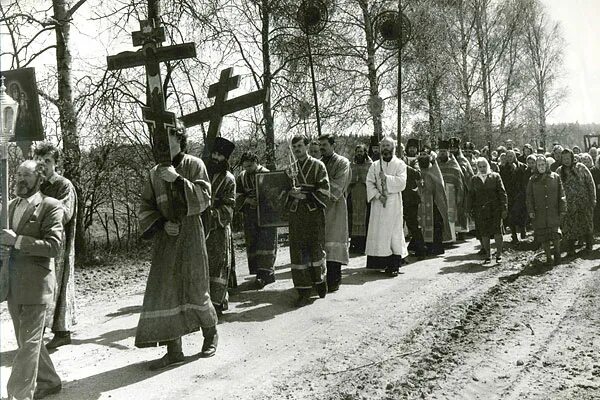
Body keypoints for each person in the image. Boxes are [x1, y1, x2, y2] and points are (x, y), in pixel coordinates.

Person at [136, 122, 218, 370]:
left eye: (168, 135)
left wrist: (178, 179)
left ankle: (210, 335)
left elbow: (205, 198)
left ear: (179, 138)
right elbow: (145, 207)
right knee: (167, 290)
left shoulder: (194, 164)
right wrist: (161, 224)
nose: (162, 141)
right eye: (158, 137)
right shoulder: (153, 173)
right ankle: (174, 350)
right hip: (167, 239)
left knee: (196, 286)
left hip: (191, 233)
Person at [1, 160, 63, 399]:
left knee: (27, 344)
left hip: (37, 286)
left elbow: (54, 247)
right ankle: (49, 380)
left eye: (26, 176)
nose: (19, 180)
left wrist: (17, 240)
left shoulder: (51, 206)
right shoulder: (8, 207)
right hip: (12, 286)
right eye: (17, 175)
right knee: (27, 340)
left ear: (39, 179)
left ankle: (18, 395)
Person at [32, 142, 77, 350]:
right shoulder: (36, 184)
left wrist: (41, 214)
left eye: (48, 161)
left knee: (58, 282)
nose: (43, 166)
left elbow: (64, 214)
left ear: (55, 163)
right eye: (39, 161)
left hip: (59, 242)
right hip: (38, 241)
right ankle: (37, 330)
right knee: (38, 284)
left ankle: (62, 331)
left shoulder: (63, 185)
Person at [285, 135, 330, 307]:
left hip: (313, 214)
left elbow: (324, 191)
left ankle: (319, 282)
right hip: (296, 215)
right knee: (298, 251)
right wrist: (290, 194)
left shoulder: (319, 166)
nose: (297, 149)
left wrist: (306, 195)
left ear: (306, 146)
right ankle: (303, 290)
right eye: (294, 146)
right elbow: (282, 191)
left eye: (299, 146)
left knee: (315, 248)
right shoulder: (290, 168)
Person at [365, 136, 408, 276]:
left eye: (388, 145)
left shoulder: (400, 164)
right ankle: (379, 263)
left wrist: (387, 179)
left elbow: (402, 183)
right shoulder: (375, 165)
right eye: (383, 146)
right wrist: (378, 195)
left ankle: (393, 265)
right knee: (378, 233)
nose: (385, 148)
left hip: (393, 202)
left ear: (393, 148)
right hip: (378, 203)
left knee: (393, 233)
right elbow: (369, 182)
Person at [236, 151, 278, 287]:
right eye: (245, 166)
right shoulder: (241, 177)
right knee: (254, 242)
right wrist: (246, 200)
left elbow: (274, 193)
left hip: (267, 215)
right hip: (250, 215)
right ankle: (259, 273)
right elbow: (237, 194)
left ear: (257, 162)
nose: (248, 169)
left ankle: (266, 274)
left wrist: (262, 200)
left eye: (250, 166)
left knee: (266, 242)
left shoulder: (266, 173)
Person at [205, 137, 236, 315]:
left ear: (225, 158)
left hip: (218, 228)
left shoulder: (229, 179)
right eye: (214, 153)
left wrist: (211, 215)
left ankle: (218, 303)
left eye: (219, 155)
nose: (215, 158)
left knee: (218, 264)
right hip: (202, 228)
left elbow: (228, 207)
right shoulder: (203, 173)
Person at [319, 134, 351, 292]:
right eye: (320, 145)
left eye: (324, 144)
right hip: (319, 209)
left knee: (334, 242)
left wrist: (317, 188)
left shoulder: (342, 162)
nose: (321, 147)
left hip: (336, 207)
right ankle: (320, 279)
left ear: (333, 145)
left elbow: (338, 187)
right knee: (321, 244)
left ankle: (334, 280)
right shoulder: (318, 163)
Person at [527, 155, 565, 265]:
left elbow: (561, 194)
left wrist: (562, 208)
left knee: (555, 234)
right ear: (536, 166)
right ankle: (548, 257)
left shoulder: (555, 177)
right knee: (544, 236)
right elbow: (529, 197)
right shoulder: (533, 179)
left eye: (543, 164)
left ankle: (557, 255)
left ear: (546, 165)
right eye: (539, 165)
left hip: (553, 211)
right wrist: (531, 211)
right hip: (540, 212)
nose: (541, 167)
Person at [556, 149, 596, 255]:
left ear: (572, 158)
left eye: (568, 158)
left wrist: (593, 199)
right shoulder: (559, 171)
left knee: (586, 223)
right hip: (568, 205)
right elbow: (556, 188)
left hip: (584, 202)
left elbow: (590, 184)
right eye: (564, 158)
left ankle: (588, 245)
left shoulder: (581, 168)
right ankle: (571, 248)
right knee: (569, 226)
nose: (566, 160)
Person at [468, 157, 508, 263]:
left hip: (495, 210)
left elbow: (502, 193)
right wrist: (470, 210)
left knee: (497, 232)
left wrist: (504, 208)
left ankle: (499, 254)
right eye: (480, 167)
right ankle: (488, 255)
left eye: (484, 166)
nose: (482, 169)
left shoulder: (495, 177)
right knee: (484, 233)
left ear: (488, 166)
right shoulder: (474, 179)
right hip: (481, 211)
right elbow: (471, 196)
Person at [417, 152, 452, 255]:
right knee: (422, 225)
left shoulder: (434, 172)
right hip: (422, 203)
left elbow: (438, 189)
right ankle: (424, 247)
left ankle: (436, 248)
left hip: (435, 204)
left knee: (436, 226)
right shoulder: (419, 172)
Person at [437, 140, 468, 242]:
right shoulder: (436, 164)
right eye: (441, 151)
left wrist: (459, 193)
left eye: (444, 151)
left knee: (452, 214)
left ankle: (454, 236)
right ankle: (445, 236)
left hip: (451, 192)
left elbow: (459, 179)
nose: (442, 153)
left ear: (448, 152)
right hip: (440, 192)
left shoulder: (454, 164)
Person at [403, 141, 426, 259]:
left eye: (414, 148)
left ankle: (421, 249)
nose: (412, 150)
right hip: (399, 195)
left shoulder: (415, 160)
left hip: (411, 196)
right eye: (410, 148)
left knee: (413, 224)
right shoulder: (401, 158)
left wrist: (404, 166)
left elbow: (417, 174)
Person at [348, 144, 372, 254]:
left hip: (365, 194)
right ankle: (354, 244)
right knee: (353, 218)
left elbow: (371, 179)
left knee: (365, 218)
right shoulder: (351, 165)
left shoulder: (370, 164)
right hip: (354, 194)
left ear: (365, 152)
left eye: (361, 151)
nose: (359, 153)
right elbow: (348, 178)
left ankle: (363, 245)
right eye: (357, 151)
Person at [500, 150, 528, 242]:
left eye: (512, 156)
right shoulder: (503, 169)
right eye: (508, 156)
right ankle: (514, 235)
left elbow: (525, 180)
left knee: (522, 214)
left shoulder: (522, 166)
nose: (510, 158)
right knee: (511, 215)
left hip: (520, 194)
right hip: (510, 195)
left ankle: (523, 231)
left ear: (515, 156)